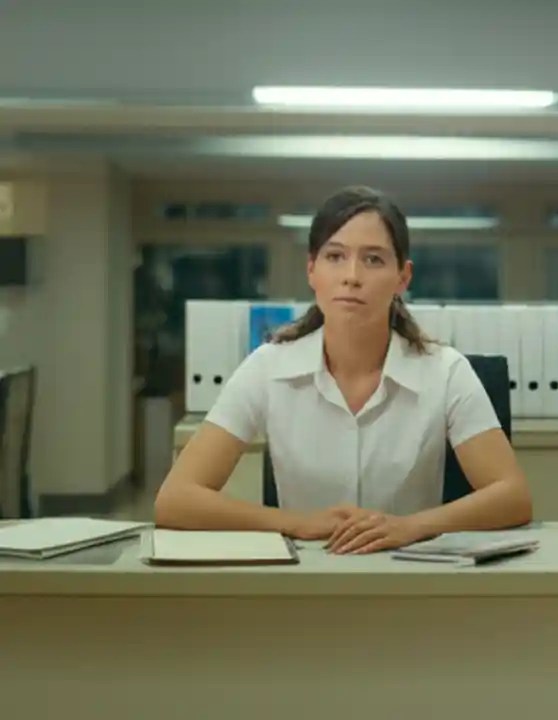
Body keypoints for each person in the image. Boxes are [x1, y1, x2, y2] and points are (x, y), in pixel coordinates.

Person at [155, 186, 533, 554]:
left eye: (373, 259)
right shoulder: (267, 367)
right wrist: (296, 523)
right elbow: (176, 499)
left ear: (403, 277)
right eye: (335, 257)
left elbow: (512, 496)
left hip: (411, 580)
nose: (352, 275)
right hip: (302, 584)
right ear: (311, 270)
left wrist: (410, 527)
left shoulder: (446, 371)